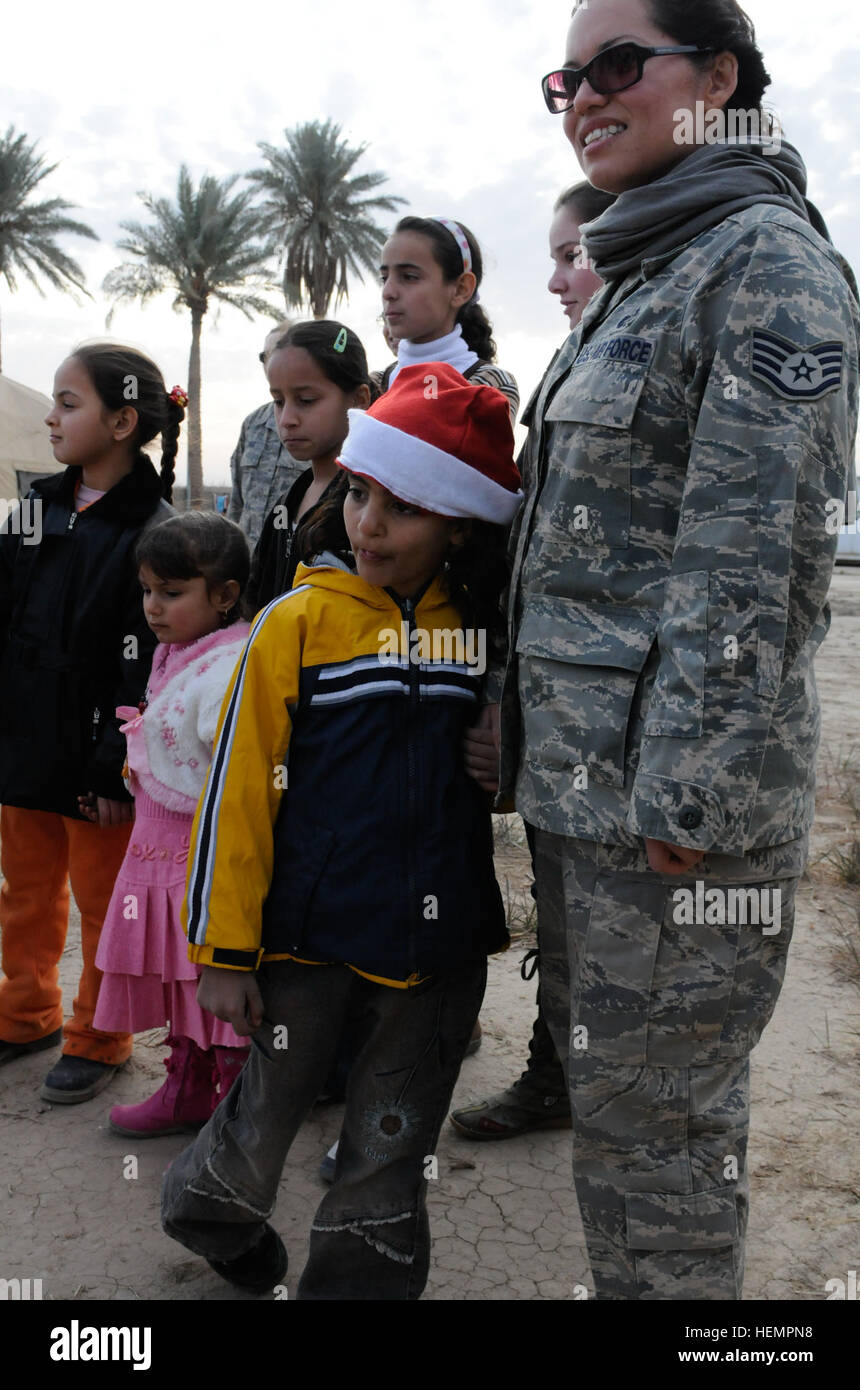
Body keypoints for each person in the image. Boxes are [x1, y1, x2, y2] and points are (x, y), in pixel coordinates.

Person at [485, 0, 860, 1299]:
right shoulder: (644, 265)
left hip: (672, 826)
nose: (582, 93)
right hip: (601, 813)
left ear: (715, 79)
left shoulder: (759, 262)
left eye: (614, 65)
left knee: (665, 1144)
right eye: (564, 76)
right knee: (622, 1119)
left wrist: (689, 804)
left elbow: (755, 564)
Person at [161, 364, 523, 1299]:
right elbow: (237, 795)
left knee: (389, 1143)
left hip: (436, 952)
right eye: (362, 493)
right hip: (303, 944)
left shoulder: (481, 636)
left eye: (403, 508)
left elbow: (503, 775)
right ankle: (207, 1209)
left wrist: (505, 759)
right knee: (263, 1120)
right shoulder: (296, 624)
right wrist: (226, 950)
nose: (368, 523)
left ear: (459, 525)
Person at [452, 180, 616, 1142]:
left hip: (622, 722)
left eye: (573, 255)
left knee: (620, 939)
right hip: (552, 708)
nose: (555, 279)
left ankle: (612, 1104)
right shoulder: (571, 365)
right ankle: (554, 1081)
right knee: (560, 919)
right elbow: (529, 564)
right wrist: (502, 702)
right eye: (552, 256)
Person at [0, 343, 180, 1103]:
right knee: (25, 892)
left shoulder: (155, 529)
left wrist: (114, 761)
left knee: (104, 904)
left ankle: (98, 1037)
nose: (51, 416)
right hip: (21, 740)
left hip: (95, 756)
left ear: (121, 421)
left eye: (68, 403)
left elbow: (145, 664)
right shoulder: (35, 508)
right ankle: (24, 1014)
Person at [90, 512, 252, 1136]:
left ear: (225, 595)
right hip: (155, 852)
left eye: (172, 592)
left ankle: (236, 1113)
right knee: (178, 983)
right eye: (147, 590)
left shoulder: (230, 667)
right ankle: (186, 1086)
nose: (153, 607)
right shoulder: (177, 653)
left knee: (209, 985)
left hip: (196, 856)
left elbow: (234, 777)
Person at [244, 322, 371, 612]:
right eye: (278, 401)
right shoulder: (287, 502)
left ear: (359, 399)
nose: (287, 418)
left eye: (306, 400)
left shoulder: (365, 507)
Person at [377, 215, 520, 424]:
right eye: (384, 278)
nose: (388, 292)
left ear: (461, 289)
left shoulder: (489, 386)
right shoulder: (373, 385)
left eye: (409, 276)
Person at [227, 322, 305, 546]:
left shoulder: (321, 423)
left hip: (292, 558)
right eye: (265, 355)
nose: (271, 360)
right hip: (249, 557)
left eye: (279, 350)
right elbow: (237, 501)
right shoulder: (253, 423)